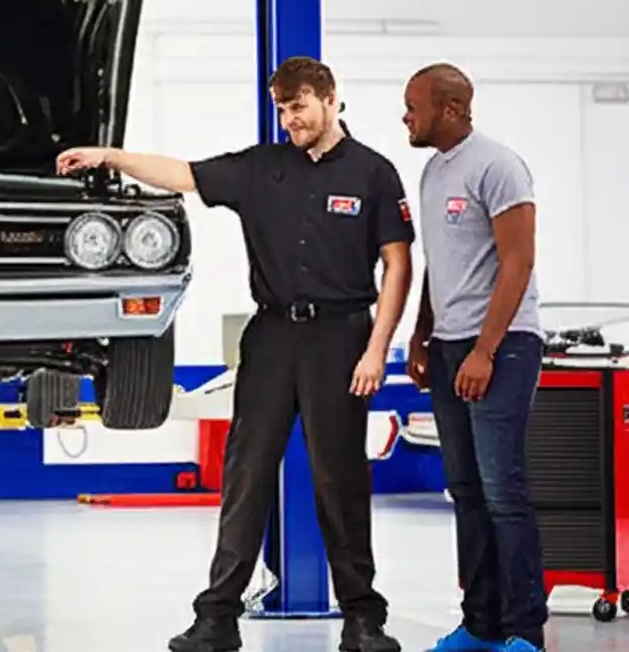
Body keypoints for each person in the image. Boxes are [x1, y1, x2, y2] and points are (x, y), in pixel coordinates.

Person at [56, 56, 413, 652]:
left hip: (342, 337)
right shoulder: (261, 168)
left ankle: (362, 618)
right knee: (246, 473)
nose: (289, 121)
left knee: (340, 479)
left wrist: (377, 349)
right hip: (272, 337)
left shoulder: (374, 174)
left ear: (329, 99)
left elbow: (398, 265)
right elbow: (184, 174)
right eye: (281, 110)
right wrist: (109, 156)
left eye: (297, 107)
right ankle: (217, 616)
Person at [402, 63, 548, 652]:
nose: (405, 116)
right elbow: (441, 263)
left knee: (502, 491)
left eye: (414, 105)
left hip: (504, 346)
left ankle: (524, 631)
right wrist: (421, 335)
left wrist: (486, 350)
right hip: (449, 346)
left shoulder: (498, 165)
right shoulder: (433, 173)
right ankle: (481, 624)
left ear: (453, 108)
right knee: (464, 490)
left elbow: (518, 262)